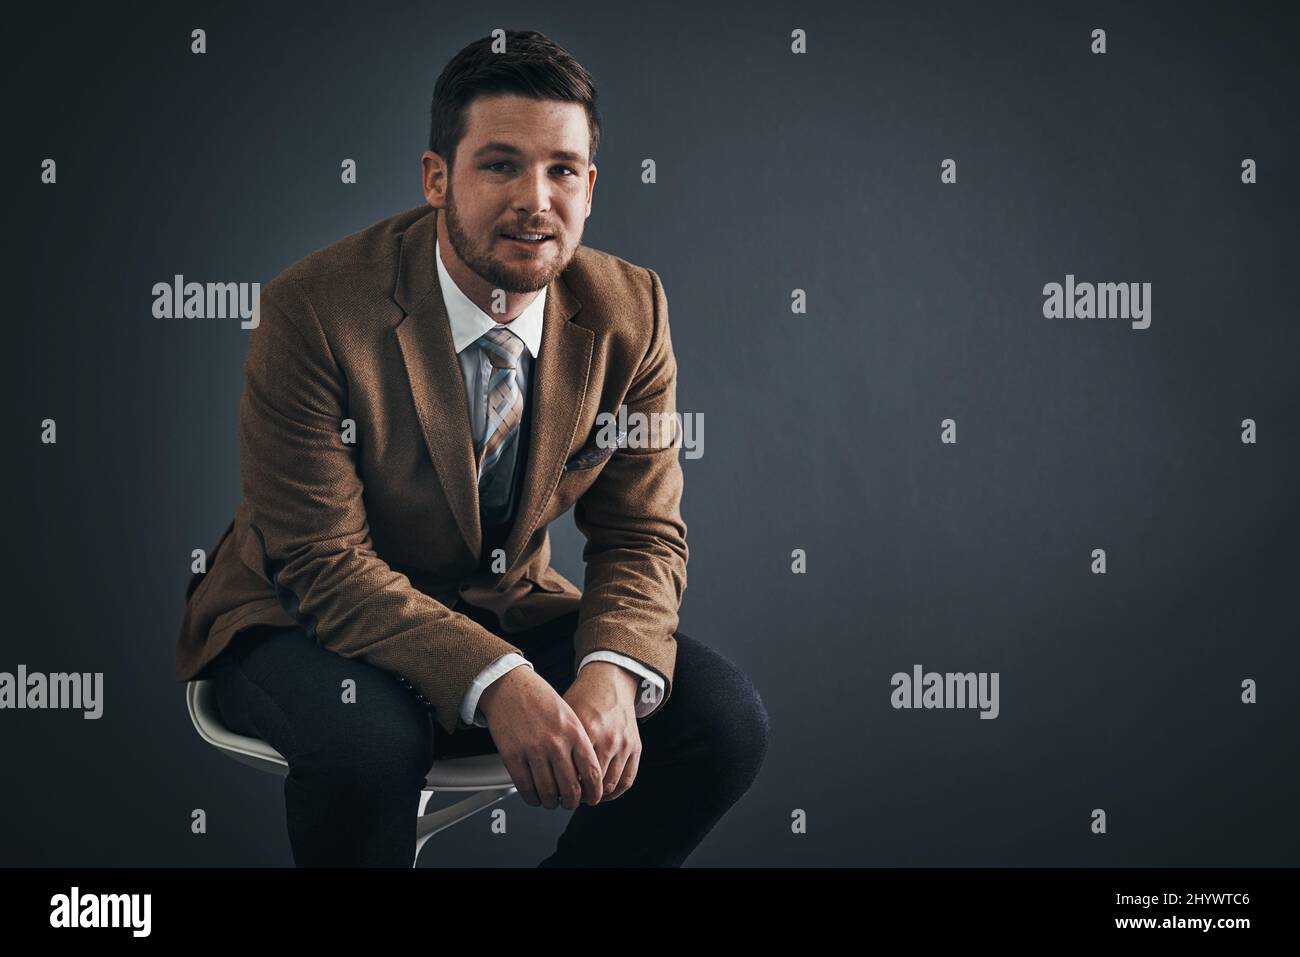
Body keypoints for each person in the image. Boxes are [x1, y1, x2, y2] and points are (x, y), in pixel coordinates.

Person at [175, 29, 768, 867]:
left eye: (563, 168)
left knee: (722, 722)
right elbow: (320, 559)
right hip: (298, 614)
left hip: (501, 600)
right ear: (436, 178)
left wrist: (610, 667)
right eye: (499, 164)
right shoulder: (311, 308)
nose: (537, 198)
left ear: (591, 187)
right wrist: (499, 680)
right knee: (368, 748)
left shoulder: (632, 309)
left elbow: (642, 533)